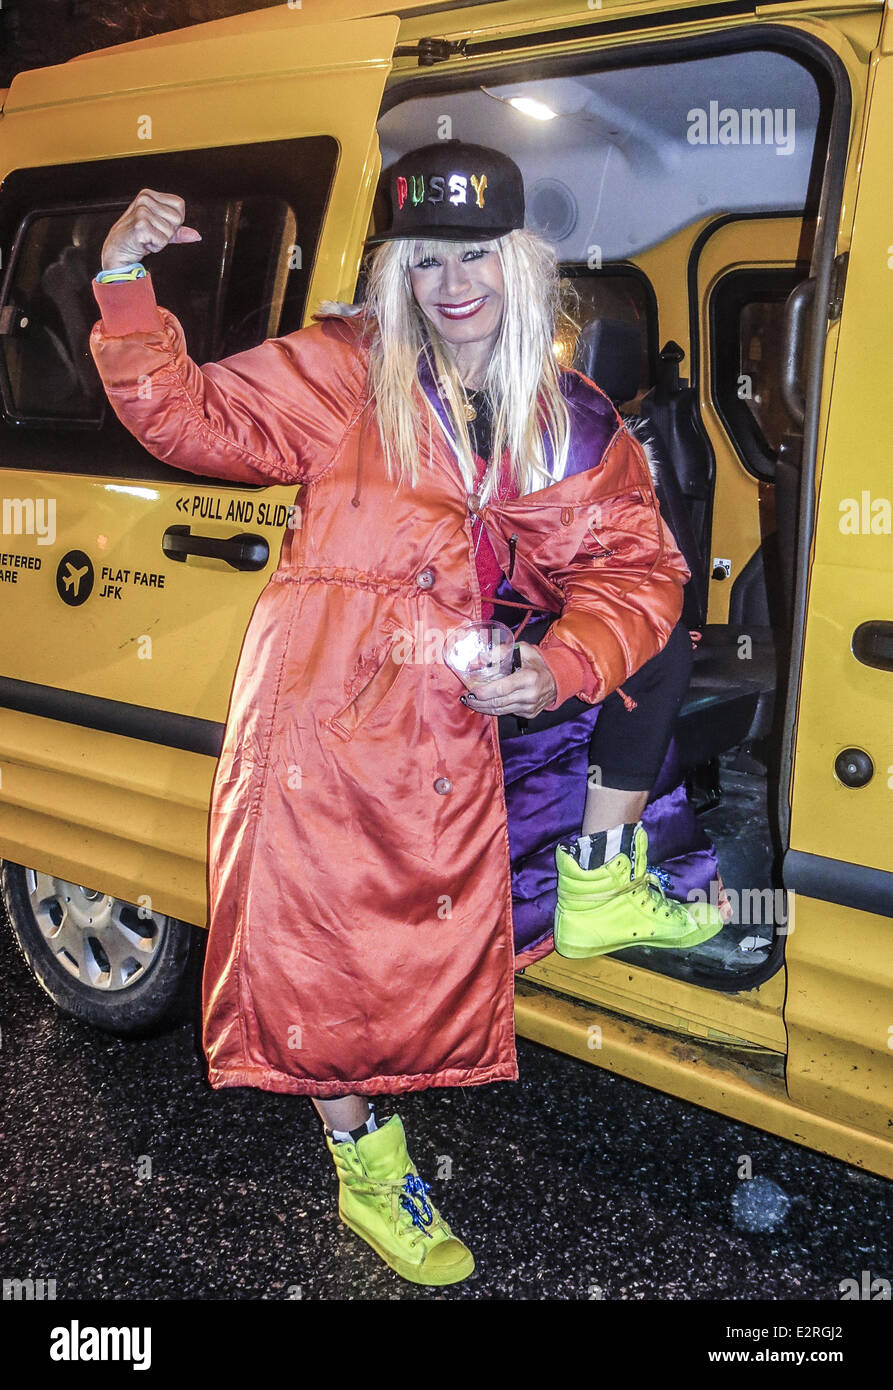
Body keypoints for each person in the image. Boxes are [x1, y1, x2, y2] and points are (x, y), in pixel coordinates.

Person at [89, 141, 724, 1289]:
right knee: (324, 950)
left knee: (654, 650)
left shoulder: (563, 408)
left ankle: (595, 878)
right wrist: (125, 282)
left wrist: (560, 665)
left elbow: (635, 564)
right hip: (330, 705)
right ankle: (368, 1164)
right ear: (396, 271)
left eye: (473, 252)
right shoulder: (347, 367)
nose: (449, 281)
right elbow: (189, 417)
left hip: (467, 708)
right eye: (424, 257)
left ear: (520, 259)